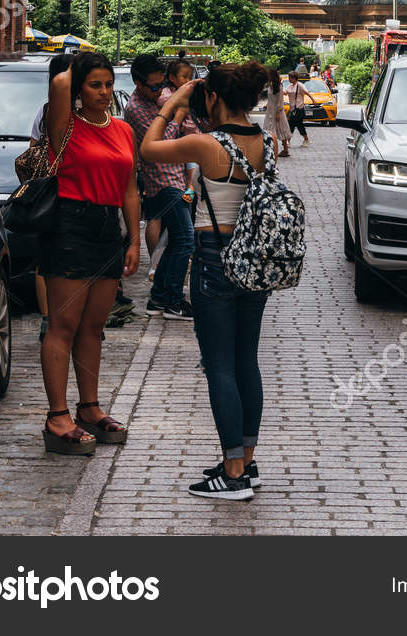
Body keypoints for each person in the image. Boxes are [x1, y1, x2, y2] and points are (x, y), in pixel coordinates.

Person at [140, 59, 276, 501]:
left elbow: (148, 148)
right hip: (255, 258)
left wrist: (172, 104)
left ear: (213, 97)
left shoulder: (205, 144)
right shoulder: (267, 141)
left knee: (219, 364)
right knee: (246, 361)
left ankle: (232, 474)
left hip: (216, 256)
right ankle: (246, 462)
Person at [39, 51, 140, 454]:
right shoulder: (64, 125)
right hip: (69, 223)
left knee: (94, 327)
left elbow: (130, 189)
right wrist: (76, 64)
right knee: (62, 325)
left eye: (109, 84)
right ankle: (57, 416)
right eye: (95, 84)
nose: (104, 92)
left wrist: (134, 239)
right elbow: (58, 83)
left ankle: (89, 407)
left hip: (107, 226)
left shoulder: (123, 129)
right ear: (79, 88)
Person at [123, 53, 196, 319]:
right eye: (154, 87)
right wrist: (178, 114)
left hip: (175, 175)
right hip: (162, 179)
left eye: (161, 84)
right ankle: (173, 301)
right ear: (138, 83)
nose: (159, 90)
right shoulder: (135, 109)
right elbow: (161, 142)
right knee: (185, 239)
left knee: (177, 240)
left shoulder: (158, 97)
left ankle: (158, 298)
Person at [263, 65, 290, 158]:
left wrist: (278, 112)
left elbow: (280, 100)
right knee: (270, 129)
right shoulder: (271, 85)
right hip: (270, 111)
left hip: (277, 111)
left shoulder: (279, 86)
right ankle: (271, 149)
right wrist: (267, 104)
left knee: (280, 129)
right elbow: (271, 98)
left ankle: (285, 149)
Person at [286, 69, 316, 146]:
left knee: (293, 125)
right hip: (293, 109)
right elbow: (285, 92)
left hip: (299, 109)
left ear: (294, 78)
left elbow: (307, 93)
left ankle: (289, 141)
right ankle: (306, 139)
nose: (289, 79)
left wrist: (313, 100)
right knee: (297, 125)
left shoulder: (300, 85)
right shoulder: (290, 86)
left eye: (290, 78)